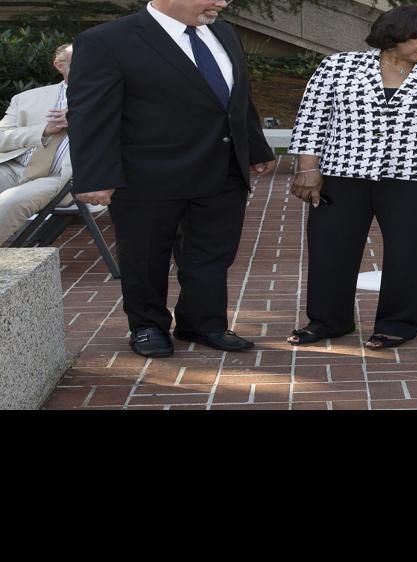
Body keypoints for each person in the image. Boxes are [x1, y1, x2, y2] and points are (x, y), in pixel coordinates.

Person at [68, 0, 276, 358]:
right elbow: (91, 114)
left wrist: (256, 148)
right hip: (147, 175)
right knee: (146, 255)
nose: (222, 3)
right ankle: (147, 326)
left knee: (211, 255)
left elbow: (236, 99)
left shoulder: (224, 33)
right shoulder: (106, 41)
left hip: (222, 168)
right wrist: (95, 176)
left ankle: (203, 323)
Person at [284, 4, 417, 350]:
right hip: (343, 174)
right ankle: (328, 321)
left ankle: (400, 323)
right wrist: (307, 169)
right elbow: (311, 122)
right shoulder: (338, 67)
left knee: (410, 253)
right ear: (393, 35)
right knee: (331, 249)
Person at [0, 44, 75, 244]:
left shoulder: (108, 99)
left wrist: (80, 121)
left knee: (8, 202)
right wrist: (43, 130)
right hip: (15, 168)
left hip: (60, 178)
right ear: (59, 66)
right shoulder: (25, 99)